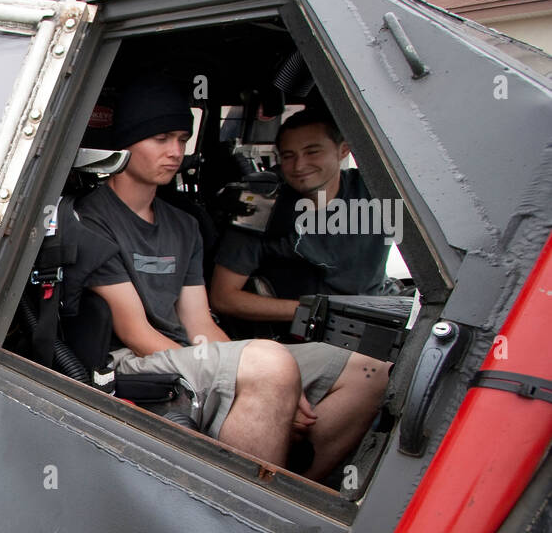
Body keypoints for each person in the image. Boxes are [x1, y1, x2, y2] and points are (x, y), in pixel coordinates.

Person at [65, 74, 388, 481]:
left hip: (185, 351)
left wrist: (275, 375)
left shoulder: (183, 224)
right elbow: (136, 332)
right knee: (270, 365)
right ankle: (254, 506)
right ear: (128, 142)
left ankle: (304, 490)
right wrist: (261, 370)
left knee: (367, 370)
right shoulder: (92, 219)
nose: (175, 152)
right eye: (161, 138)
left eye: (182, 139)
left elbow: (200, 323)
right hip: (130, 360)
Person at [209, 109, 392, 332]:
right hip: (307, 333)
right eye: (288, 156)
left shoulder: (375, 190)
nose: (299, 166)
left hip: (378, 314)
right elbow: (223, 297)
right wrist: (316, 312)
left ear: (343, 150)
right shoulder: (262, 205)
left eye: (312, 152)